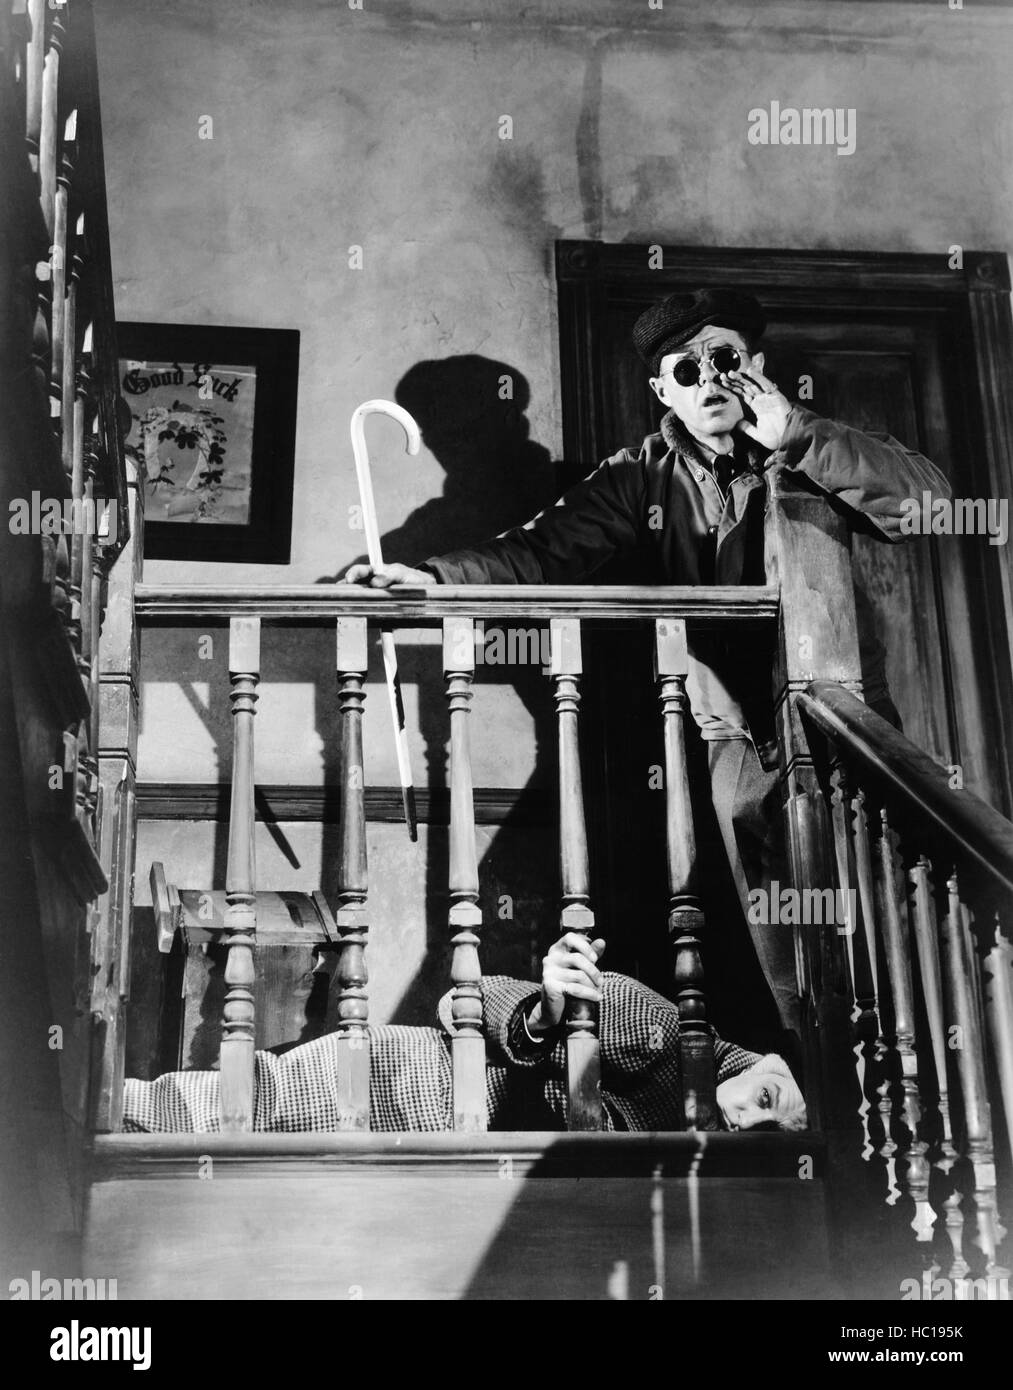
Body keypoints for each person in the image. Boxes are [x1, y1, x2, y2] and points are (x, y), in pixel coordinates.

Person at [342, 287, 952, 1046]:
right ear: (663, 390)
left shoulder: (811, 441)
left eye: (725, 361)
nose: (712, 383)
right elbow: (538, 550)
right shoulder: (640, 475)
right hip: (732, 737)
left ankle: (915, 1094)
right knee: (783, 947)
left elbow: (926, 501)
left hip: (840, 734)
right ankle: (825, 1107)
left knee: (877, 928)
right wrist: (434, 579)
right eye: (686, 372)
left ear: (755, 366)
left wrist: (793, 432)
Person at [122, 934, 806, 1134]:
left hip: (441, 1144)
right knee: (229, 1105)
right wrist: (541, 1014)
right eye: (768, 1099)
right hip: (412, 1081)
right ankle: (89, 1112)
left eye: (771, 1133)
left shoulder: (714, 1154)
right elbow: (463, 1004)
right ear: (764, 1061)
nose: (748, 1120)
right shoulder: (665, 1029)